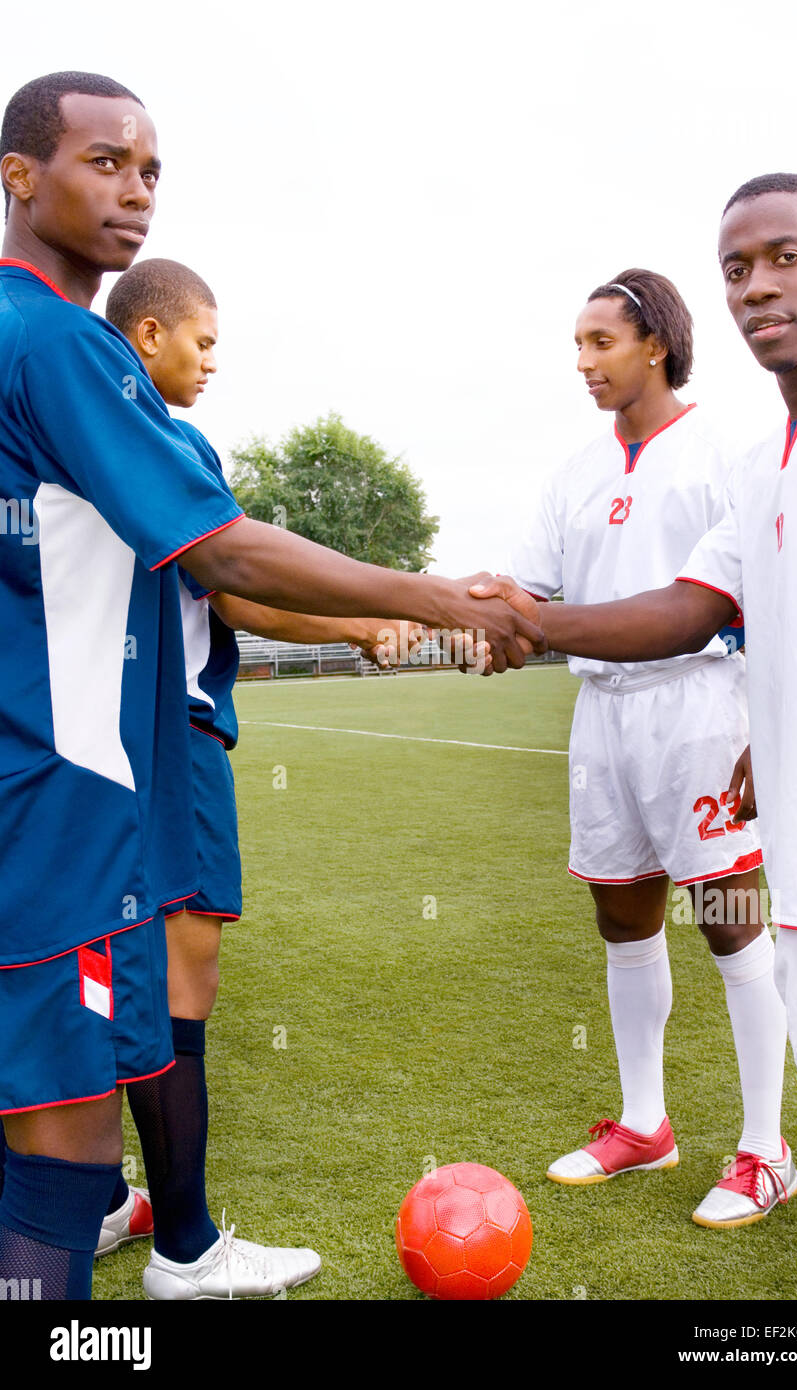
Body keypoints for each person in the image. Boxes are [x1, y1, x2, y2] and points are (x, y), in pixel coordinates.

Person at [0, 69, 542, 1302]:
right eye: (104, 163)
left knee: (46, 1128)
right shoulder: (56, 340)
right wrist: (440, 595)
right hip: (60, 809)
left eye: (151, 171)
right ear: (19, 176)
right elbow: (226, 552)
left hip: (42, 799)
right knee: (66, 1155)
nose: (134, 191)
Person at [474, 173, 797, 1295]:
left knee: (745, 946)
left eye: (782, 256)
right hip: (744, 772)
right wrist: (518, 617)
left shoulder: (775, 440)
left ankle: (761, 1153)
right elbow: (687, 603)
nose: (754, 286)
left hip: (745, 748)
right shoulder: (765, 460)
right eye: (736, 268)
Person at [97, 256, 417, 1297]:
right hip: (173, 737)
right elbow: (234, 589)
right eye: (202, 340)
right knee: (181, 979)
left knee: (100, 970)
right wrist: (371, 617)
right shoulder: (165, 440)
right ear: (147, 336)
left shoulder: (62, 429)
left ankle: (102, 1198)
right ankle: (186, 1250)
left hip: (81, 744)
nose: (212, 361)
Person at [504, 269, 793, 1228]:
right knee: (623, 919)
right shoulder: (573, 473)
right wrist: (468, 624)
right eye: (577, 346)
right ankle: (643, 1125)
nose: (583, 362)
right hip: (603, 718)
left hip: (703, 704)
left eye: (600, 343)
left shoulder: (727, 454)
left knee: (732, 918)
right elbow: (532, 599)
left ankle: (765, 1148)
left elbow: (747, 606)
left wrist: (763, 722)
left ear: (654, 345)